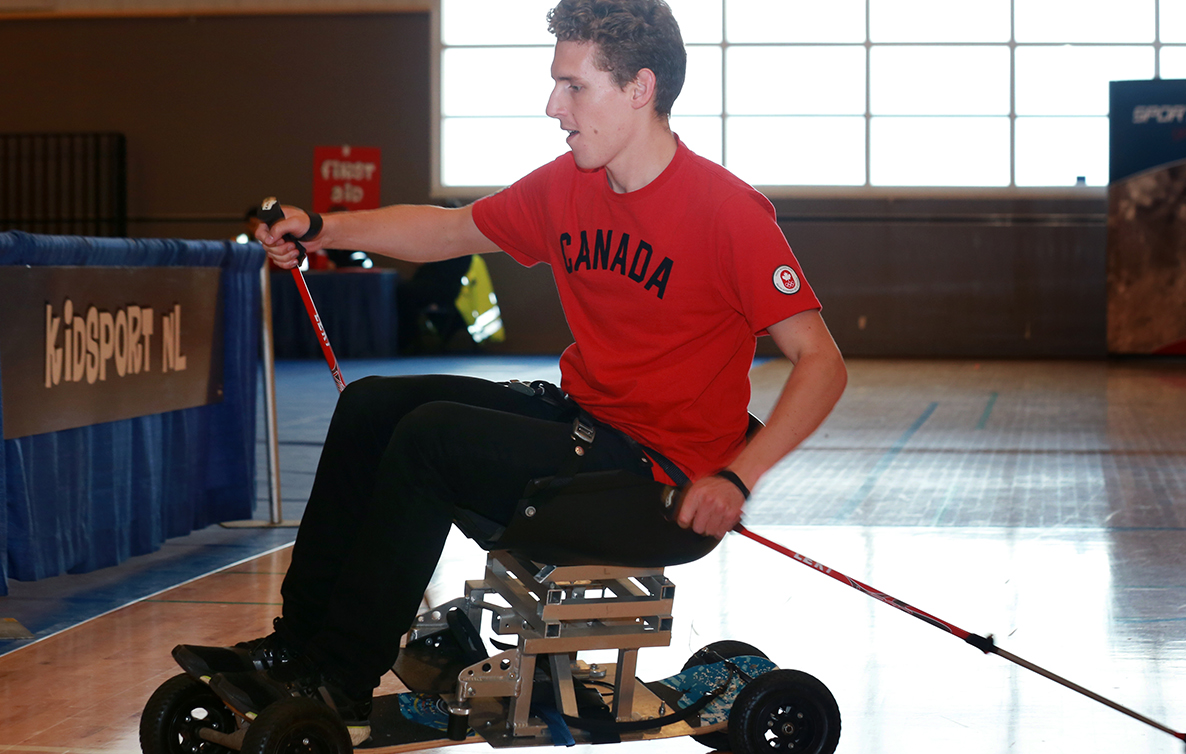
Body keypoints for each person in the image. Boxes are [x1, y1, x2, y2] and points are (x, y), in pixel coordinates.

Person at [176, 0, 846, 742]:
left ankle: (339, 676)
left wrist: (738, 478)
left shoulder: (727, 213)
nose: (553, 106)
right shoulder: (569, 185)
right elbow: (449, 227)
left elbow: (822, 364)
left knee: (433, 438)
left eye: (573, 87)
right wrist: (324, 229)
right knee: (371, 404)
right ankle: (298, 644)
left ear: (640, 89)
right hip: (586, 430)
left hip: (660, 486)